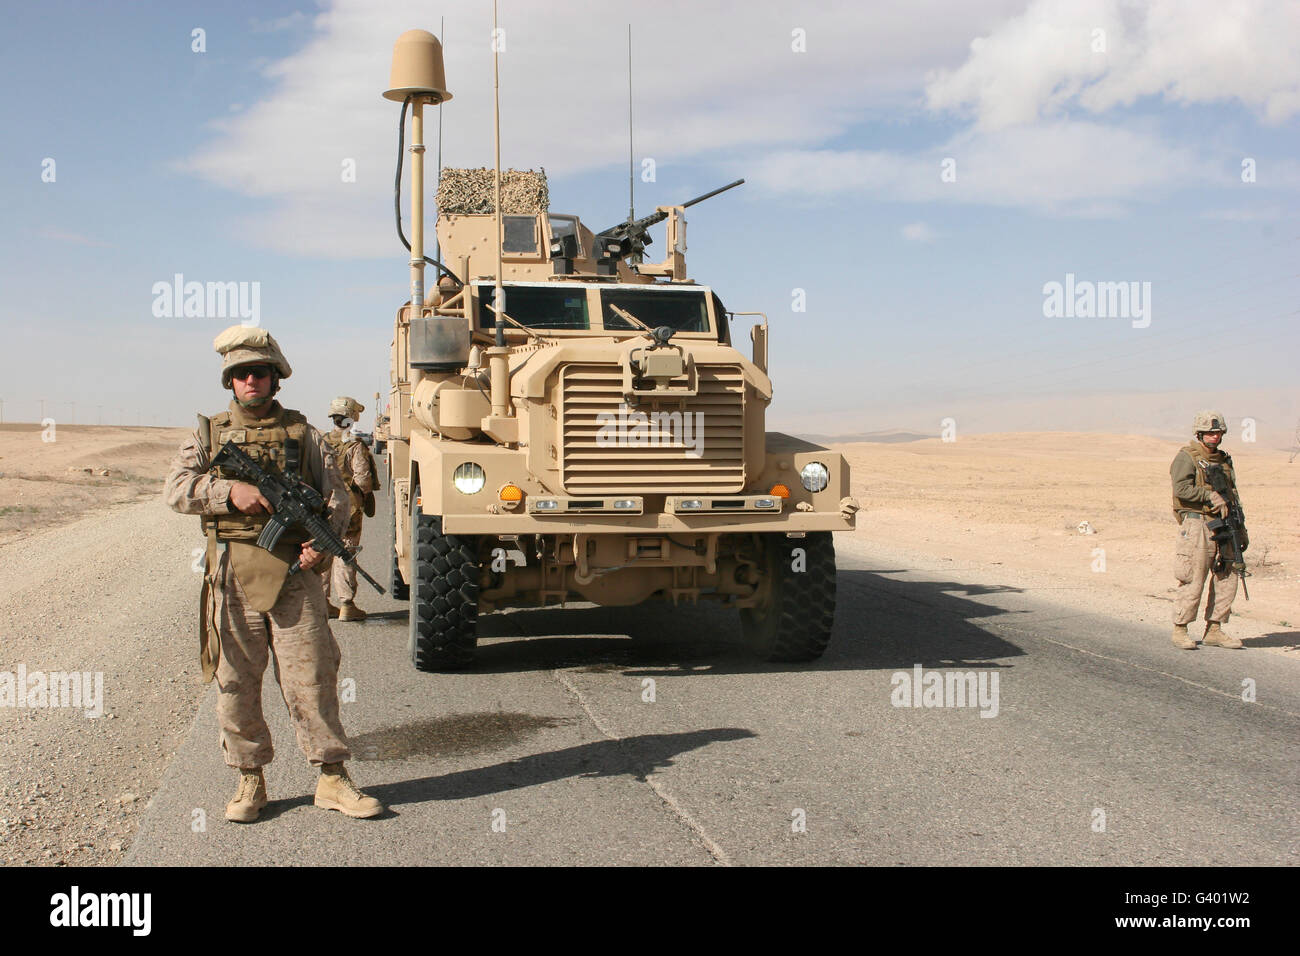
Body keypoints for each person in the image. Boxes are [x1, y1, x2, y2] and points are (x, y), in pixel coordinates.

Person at [164, 325, 384, 822]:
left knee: (313, 678)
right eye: (241, 374)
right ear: (230, 382)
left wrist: (318, 548)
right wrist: (228, 495)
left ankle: (331, 777)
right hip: (232, 571)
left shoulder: (305, 435)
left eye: (259, 373)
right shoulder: (208, 434)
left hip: (295, 575)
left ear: (275, 378)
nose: (250, 381)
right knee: (236, 680)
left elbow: (337, 496)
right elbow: (176, 490)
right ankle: (250, 778)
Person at [1169, 410, 1244, 650]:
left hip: (1224, 523)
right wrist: (1209, 495)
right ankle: (1181, 628)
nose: (1214, 436)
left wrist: (1241, 528)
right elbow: (1181, 489)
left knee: (1227, 574)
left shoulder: (1223, 460)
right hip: (1198, 523)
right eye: (1209, 432)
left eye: (1218, 432)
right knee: (1194, 576)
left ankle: (1214, 628)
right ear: (1200, 433)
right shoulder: (1187, 457)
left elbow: (1232, 494)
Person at [323, 396, 376, 622]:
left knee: (321, 552)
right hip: (348, 508)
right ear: (352, 417)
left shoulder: (321, 441)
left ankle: (322, 603)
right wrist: (364, 494)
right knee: (345, 554)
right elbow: (363, 479)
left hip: (321, 506)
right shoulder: (354, 445)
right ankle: (346, 604)